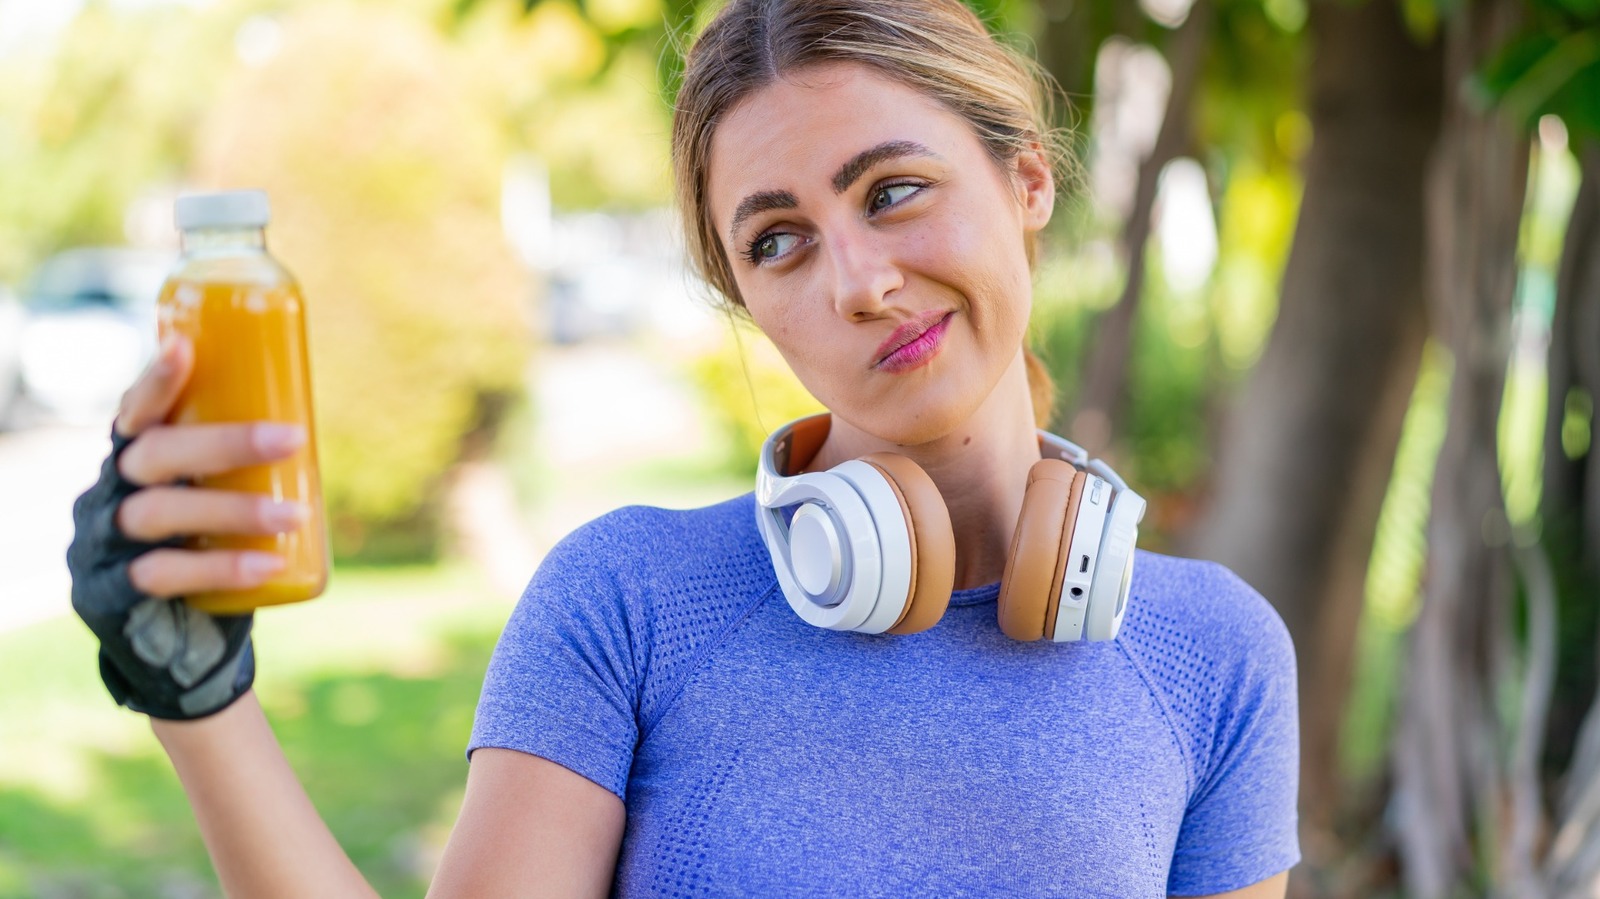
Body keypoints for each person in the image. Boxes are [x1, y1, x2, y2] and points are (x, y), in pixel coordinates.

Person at [67, 0, 1300, 895]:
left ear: (1026, 180)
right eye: (777, 241)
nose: (859, 282)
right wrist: (201, 703)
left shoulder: (1215, 658)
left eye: (891, 190)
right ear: (745, 301)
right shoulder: (629, 601)